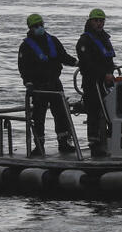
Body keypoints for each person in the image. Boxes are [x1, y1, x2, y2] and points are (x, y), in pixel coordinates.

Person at [17, 13, 78, 156]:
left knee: (61, 113)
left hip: (55, 83)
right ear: (30, 28)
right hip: (38, 86)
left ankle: (63, 143)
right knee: (38, 117)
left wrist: (76, 63)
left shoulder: (53, 41)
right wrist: (28, 82)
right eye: (36, 26)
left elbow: (63, 56)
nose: (39, 28)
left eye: (41, 25)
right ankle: (39, 145)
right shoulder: (26, 46)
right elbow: (23, 67)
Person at [76, 7, 116, 158]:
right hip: (92, 82)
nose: (99, 24)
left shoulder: (105, 38)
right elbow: (87, 63)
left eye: (102, 21)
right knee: (93, 113)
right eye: (96, 21)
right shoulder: (84, 41)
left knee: (108, 111)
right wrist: (103, 74)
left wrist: (110, 73)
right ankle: (95, 145)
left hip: (106, 82)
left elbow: (109, 59)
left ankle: (108, 141)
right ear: (90, 21)